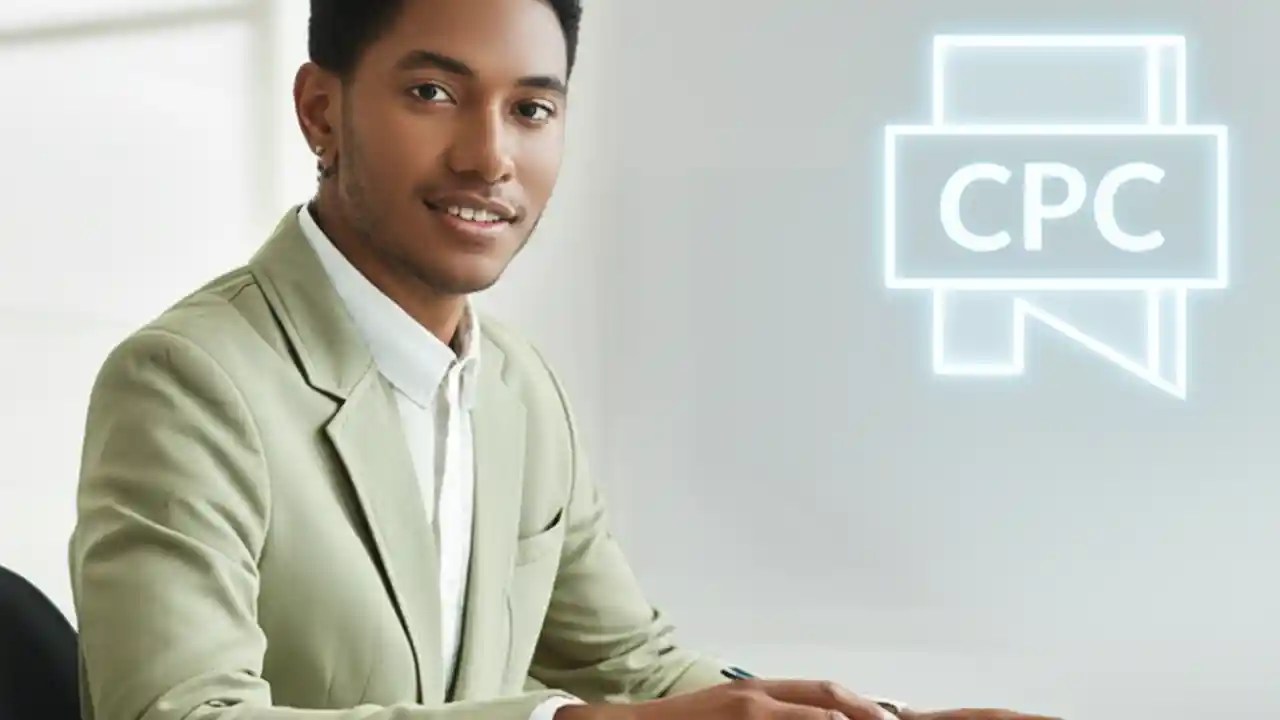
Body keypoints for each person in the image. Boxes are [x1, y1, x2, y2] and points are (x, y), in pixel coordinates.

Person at [67, 2, 1062, 720]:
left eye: (531, 111)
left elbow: (631, 663)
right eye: (431, 92)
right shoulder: (189, 381)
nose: (488, 158)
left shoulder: (517, 387)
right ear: (321, 112)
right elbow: (178, 715)